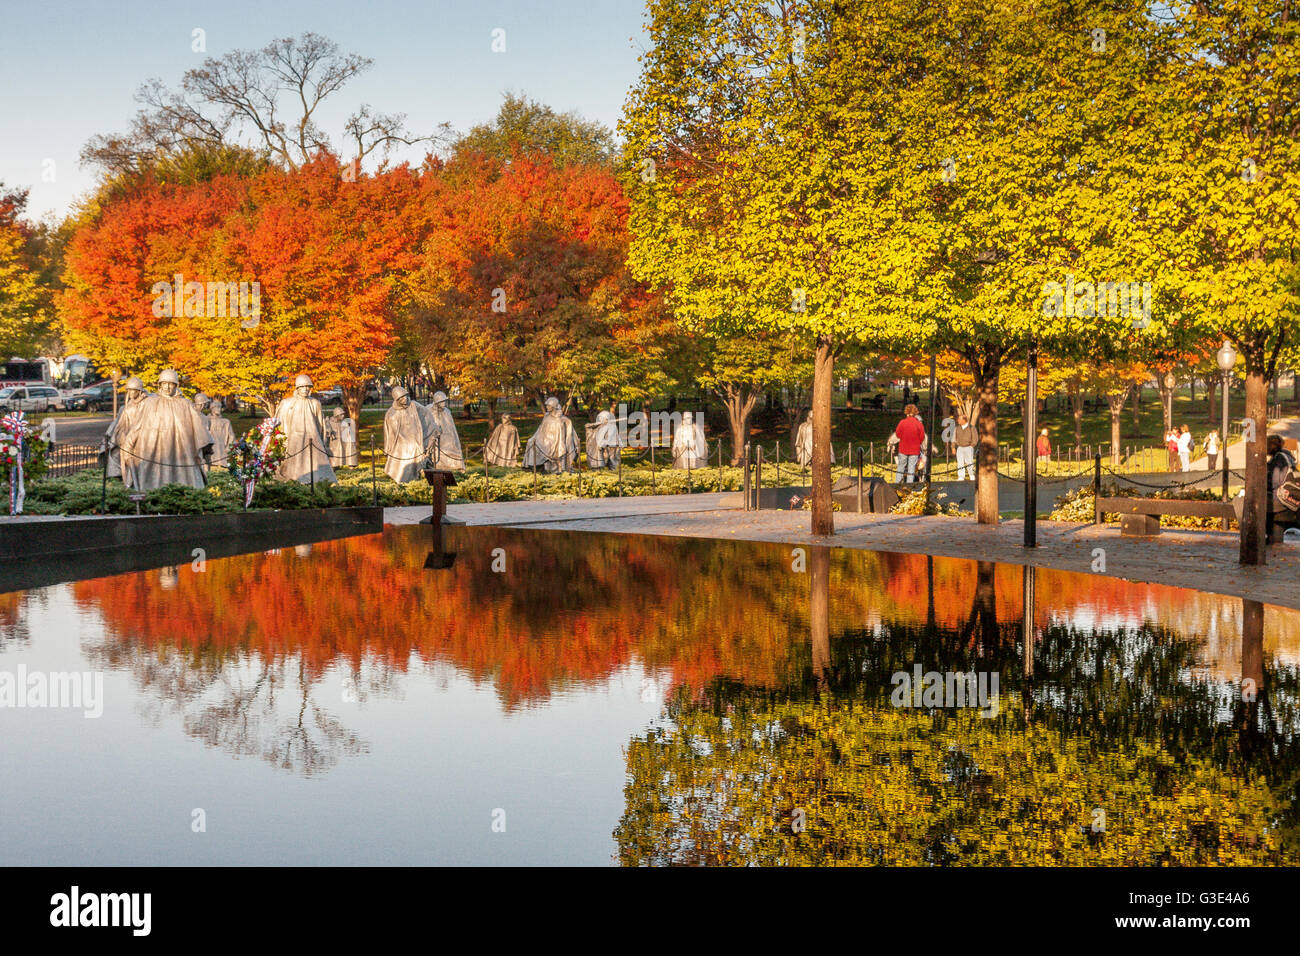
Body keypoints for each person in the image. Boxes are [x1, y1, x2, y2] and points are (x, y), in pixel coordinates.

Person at [275, 374, 336, 485]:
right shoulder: (287, 403)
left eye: (308, 386)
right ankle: (293, 479)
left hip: (313, 439)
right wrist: (282, 439)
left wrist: (324, 440)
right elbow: (281, 422)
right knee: (293, 462)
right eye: (302, 386)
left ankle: (320, 481)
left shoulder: (315, 403)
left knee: (315, 461)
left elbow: (320, 423)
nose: (305, 389)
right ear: (297, 388)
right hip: (294, 438)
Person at [383, 385, 440, 483]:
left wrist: (433, 427)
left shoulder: (414, 405)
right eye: (402, 398)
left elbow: (427, 414)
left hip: (414, 438)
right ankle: (400, 477)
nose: (405, 399)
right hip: (400, 441)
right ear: (397, 400)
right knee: (400, 453)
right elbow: (388, 431)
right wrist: (388, 447)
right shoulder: (391, 413)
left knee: (413, 449)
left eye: (405, 396)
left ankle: (413, 477)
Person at [524, 396, 580, 473]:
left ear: (553, 406)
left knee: (555, 449)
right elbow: (540, 429)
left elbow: (569, 435)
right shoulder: (546, 417)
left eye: (548, 405)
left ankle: (557, 468)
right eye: (546, 405)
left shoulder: (563, 420)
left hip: (556, 443)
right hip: (544, 440)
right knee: (531, 443)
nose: (546, 407)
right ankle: (534, 467)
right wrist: (534, 437)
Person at [1267, 434, 1298, 544]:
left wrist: (1265, 485)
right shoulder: (1287, 456)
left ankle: (1268, 537)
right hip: (1289, 495)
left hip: (1280, 496)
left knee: (1261, 504)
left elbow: (1276, 481)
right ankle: (1272, 538)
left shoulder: (1278, 459)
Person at [424, 391, 465, 471]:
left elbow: (452, 429)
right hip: (433, 438)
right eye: (442, 401)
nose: (444, 403)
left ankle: (456, 466)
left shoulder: (447, 412)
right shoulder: (428, 410)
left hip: (446, 437)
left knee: (452, 447)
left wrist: (452, 438)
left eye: (444, 401)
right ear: (437, 402)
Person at [893, 404, 925, 483]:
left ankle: (898, 484)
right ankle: (909, 486)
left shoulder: (902, 422)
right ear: (915, 413)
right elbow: (922, 436)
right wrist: (917, 442)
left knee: (901, 467)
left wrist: (903, 438)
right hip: (914, 449)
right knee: (911, 469)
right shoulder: (919, 424)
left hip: (903, 448)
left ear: (906, 412)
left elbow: (897, 434)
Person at [953, 412, 977, 481]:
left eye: (960, 419)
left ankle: (971, 475)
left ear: (964, 420)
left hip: (968, 447)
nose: (958, 420)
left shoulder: (971, 428)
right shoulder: (957, 428)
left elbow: (975, 438)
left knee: (969, 462)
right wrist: (953, 447)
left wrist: (972, 446)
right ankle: (961, 476)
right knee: (960, 462)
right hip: (960, 448)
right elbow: (954, 438)